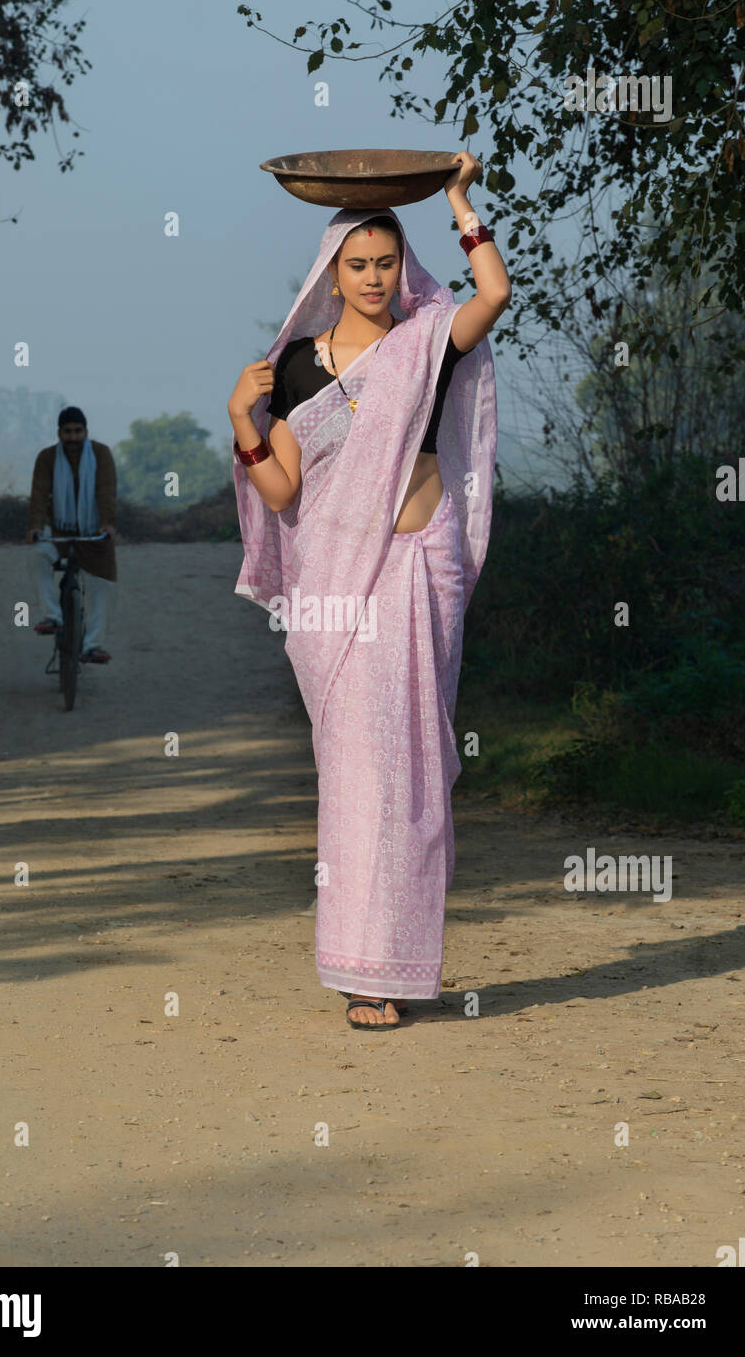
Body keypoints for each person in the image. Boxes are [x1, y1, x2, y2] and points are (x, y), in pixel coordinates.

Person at [229, 150, 508, 1030]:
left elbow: (493, 296)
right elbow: (282, 493)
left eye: (387, 262)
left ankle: (404, 963)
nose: (375, 278)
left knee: (415, 778)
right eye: (358, 265)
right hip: (339, 596)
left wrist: (461, 201)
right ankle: (360, 972)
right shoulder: (303, 369)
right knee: (356, 777)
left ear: (403, 267)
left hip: (422, 572)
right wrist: (244, 420)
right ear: (331, 273)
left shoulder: (428, 344)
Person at [26, 406, 118, 664]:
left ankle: (93, 645)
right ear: (59, 433)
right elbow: (39, 495)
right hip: (58, 533)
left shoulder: (101, 454)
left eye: (78, 431)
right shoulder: (46, 458)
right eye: (68, 432)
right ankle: (52, 616)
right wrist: (35, 526)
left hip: (93, 534)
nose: (73, 437)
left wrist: (107, 524)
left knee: (105, 588)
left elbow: (106, 492)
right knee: (36, 556)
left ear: (86, 432)